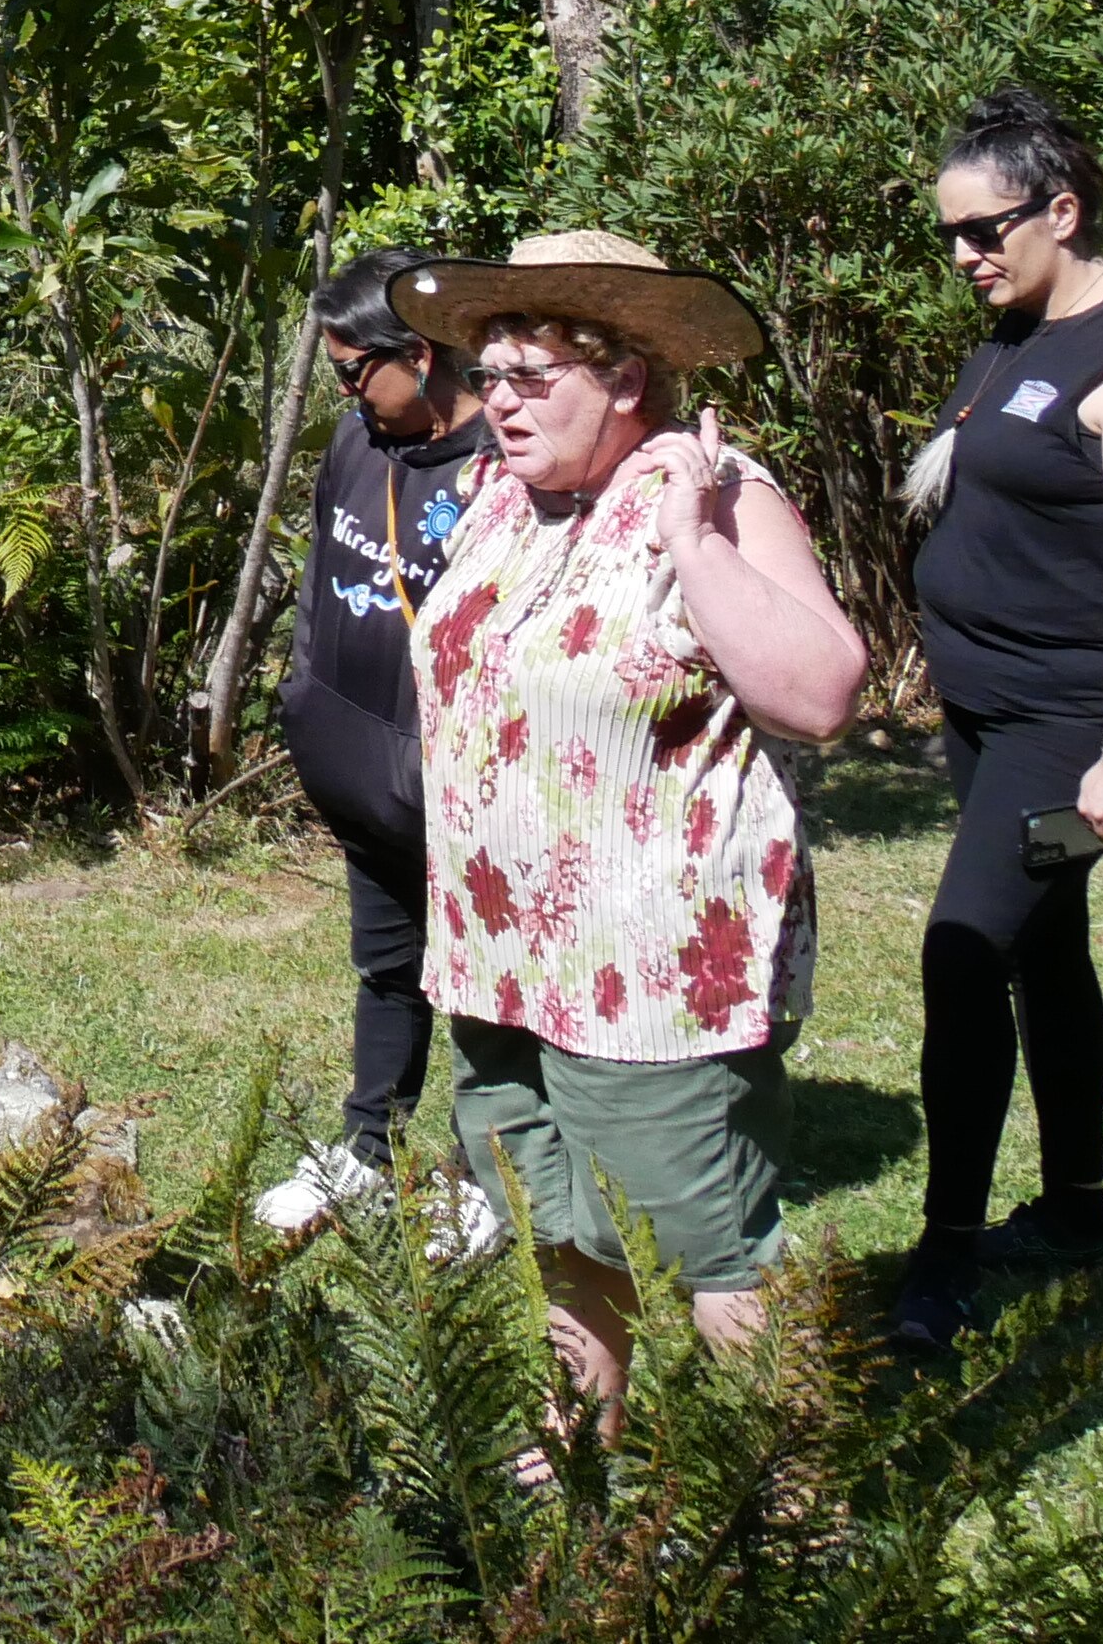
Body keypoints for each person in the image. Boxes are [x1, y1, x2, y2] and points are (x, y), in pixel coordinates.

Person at [392, 230, 871, 1410]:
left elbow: (819, 693)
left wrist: (691, 542)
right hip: (499, 957)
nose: (494, 398)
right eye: (485, 373)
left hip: (648, 970)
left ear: (623, 378)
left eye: (528, 374)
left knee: (712, 1255)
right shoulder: (507, 496)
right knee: (555, 1218)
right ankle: (578, 1435)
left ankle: (792, 1499)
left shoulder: (713, 492)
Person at [885, 88, 1103, 1356]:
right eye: (948, 236)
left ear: (1061, 211)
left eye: (983, 231)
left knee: (965, 952)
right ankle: (1079, 1213)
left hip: (1072, 726)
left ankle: (943, 1256)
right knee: (1043, 950)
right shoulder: (1017, 330)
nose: (964, 258)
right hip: (989, 710)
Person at [257, 246, 490, 1225]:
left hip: (461, 789)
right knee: (386, 964)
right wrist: (303, 691)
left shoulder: (502, 471)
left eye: (355, 369)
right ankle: (366, 1149)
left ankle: (488, 1177)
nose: (344, 391)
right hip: (359, 777)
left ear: (425, 352)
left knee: (484, 987)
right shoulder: (358, 441)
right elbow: (321, 572)